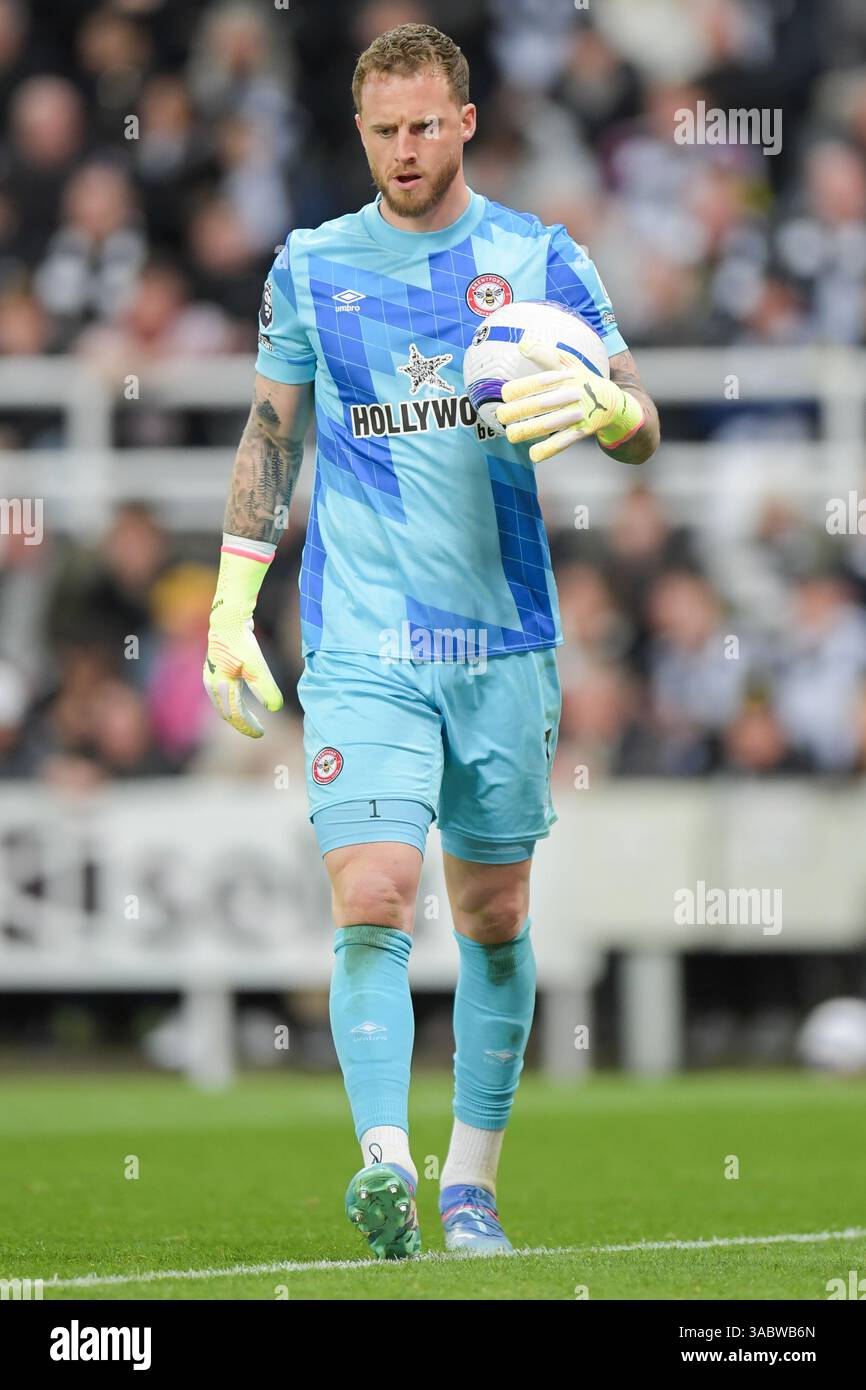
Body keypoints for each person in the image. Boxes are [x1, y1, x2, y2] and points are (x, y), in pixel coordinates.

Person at [203, 22, 659, 1260]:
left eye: (422, 126)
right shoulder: (308, 266)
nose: (403, 151)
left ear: (462, 121)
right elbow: (270, 435)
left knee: (497, 915)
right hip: (361, 642)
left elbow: (640, 422)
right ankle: (387, 1171)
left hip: (504, 639)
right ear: (359, 132)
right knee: (373, 896)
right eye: (380, 130)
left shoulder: (538, 256)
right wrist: (234, 601)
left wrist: (612, 408)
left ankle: (471, 1186)